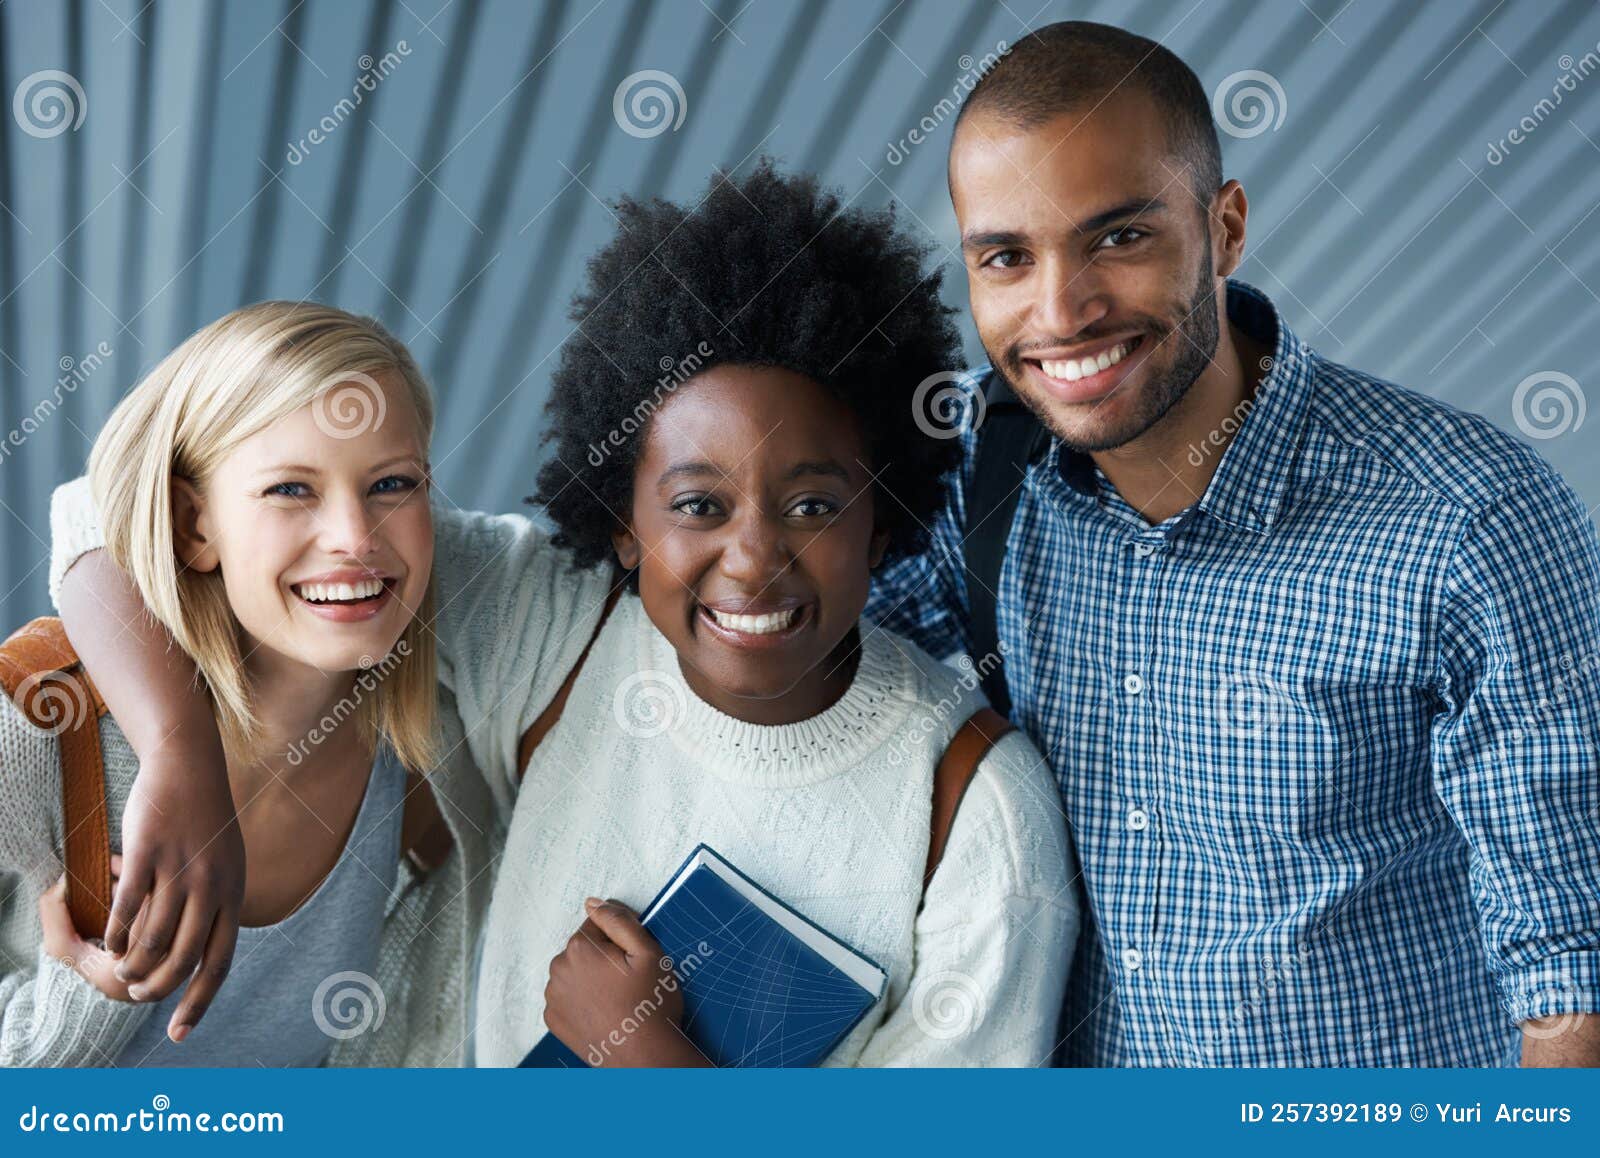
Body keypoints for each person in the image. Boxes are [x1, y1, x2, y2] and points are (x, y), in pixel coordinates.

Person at [865, 20, 1600, 1067]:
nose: (1061, 310)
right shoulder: (985, 482)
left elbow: (1574, 974)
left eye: (1118, 237)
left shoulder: (1467, 518)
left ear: (1226, 227)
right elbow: (769, 646)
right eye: (1006, 258)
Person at [475, 162, 1078, 1066]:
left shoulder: (975, 812)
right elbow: (270, 534)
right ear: (623, 524)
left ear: (883, 525)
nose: (755, 560)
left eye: (810, 507)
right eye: (697, 506)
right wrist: (176, 745)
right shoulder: (557, 633)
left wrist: (645, 1058)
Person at [1, 303, 446, 1065]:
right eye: (290, 490)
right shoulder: (37, 726)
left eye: (392, 482)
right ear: (193, 525)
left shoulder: (419, 756)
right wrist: (82, 1002)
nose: (355, 537)